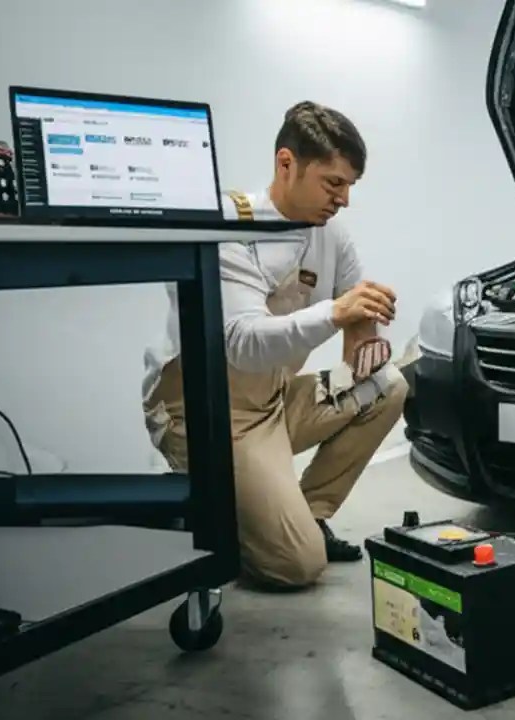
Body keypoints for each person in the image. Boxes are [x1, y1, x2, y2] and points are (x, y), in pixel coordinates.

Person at [141, 101, 408, 589]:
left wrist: (365, 341)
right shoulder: (226, 227)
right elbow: (243, 344)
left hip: (272, 404)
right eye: (334, 183)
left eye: (350, 185)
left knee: (388, 386)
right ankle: (217, 510)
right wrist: (337, 311)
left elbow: (358, 326)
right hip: (209, 417)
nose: (344, 199)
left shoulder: (332, 235)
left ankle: (307, 516)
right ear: (286, 163)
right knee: (296, 568)